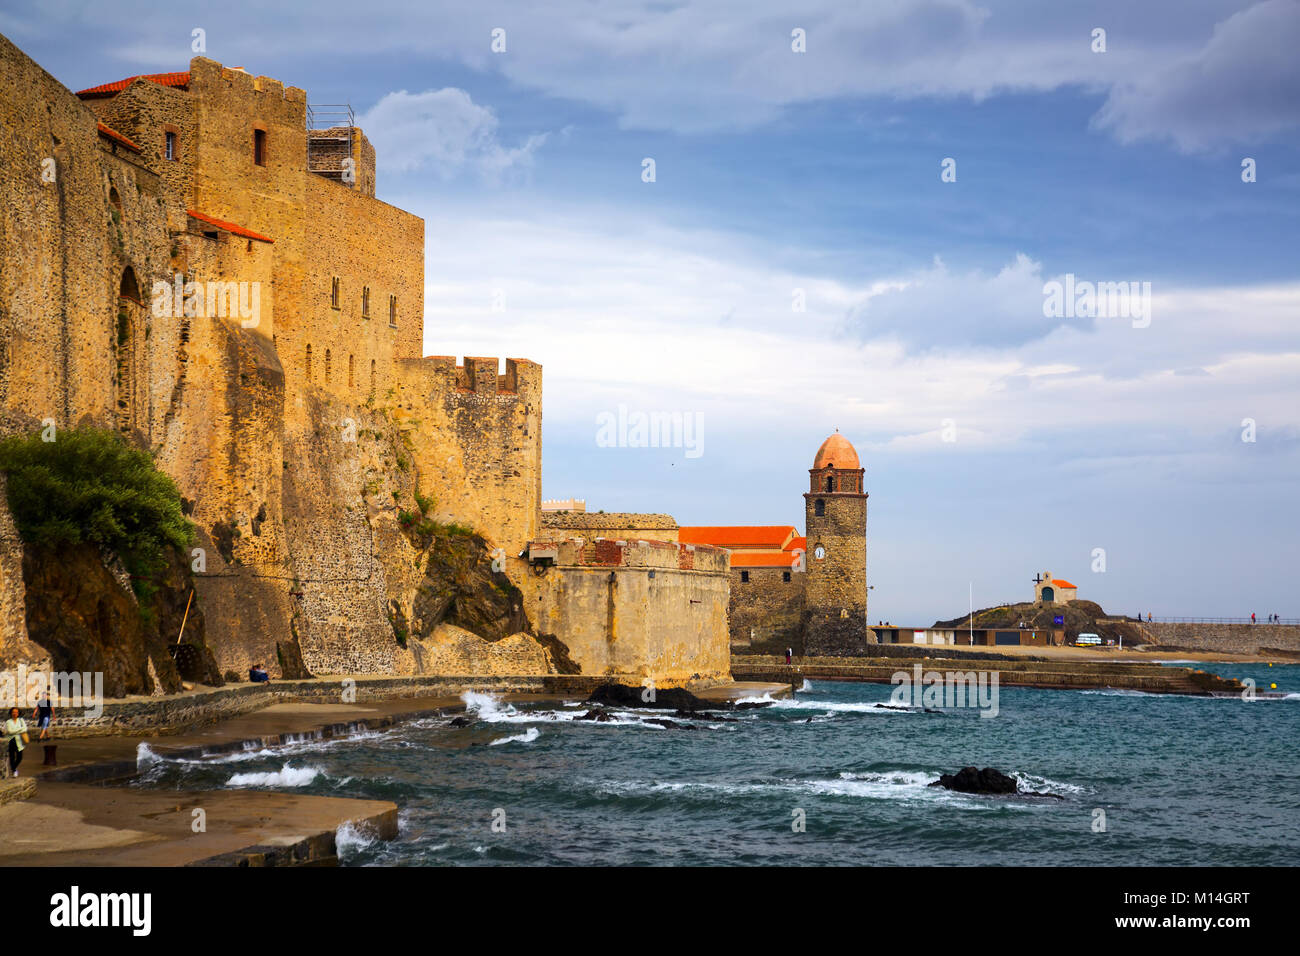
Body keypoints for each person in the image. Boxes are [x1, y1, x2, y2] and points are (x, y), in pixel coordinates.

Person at [3, 707, 29, 778]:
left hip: (19, 741)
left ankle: (13, 768)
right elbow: (10, 732)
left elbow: (25, 729)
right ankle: (14, 771)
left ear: (18, 713)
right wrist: (20, 729)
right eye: (13, 712)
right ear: (11, 713)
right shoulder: (8, 722)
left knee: (20, 757)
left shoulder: (21, 720)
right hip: (11, 741)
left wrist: (15, 730)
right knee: (12, 757)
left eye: (16, 712)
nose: (15, 713)